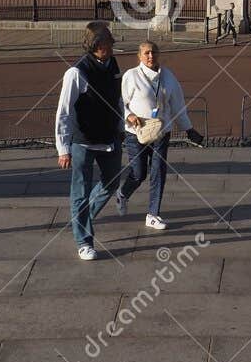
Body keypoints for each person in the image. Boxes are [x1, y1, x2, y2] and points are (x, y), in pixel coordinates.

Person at [55, 22, 126, 259]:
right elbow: (64, 112)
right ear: (95, 45)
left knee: (112, 181)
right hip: (83, 141)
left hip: (110, 137)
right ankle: (84, 241)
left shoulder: (113, 64)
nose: (111, 46)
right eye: (107, 42)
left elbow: (118, 99)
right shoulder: (76, 73)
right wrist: (63, 148)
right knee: (80, 192)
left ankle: (83, 216)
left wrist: (121, 126)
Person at [116, 40, 203, 229]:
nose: (151, 56)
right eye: (146, 53)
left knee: (158, 172)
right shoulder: (131, 75)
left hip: (162, 132)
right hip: (136, 133)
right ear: (139, 56)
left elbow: (177, 105)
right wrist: (129, 115)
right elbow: (121, 102)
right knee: (139, 173)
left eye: (154, 52)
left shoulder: (168, 77)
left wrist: (188, 129)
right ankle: (123, 194)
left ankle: (153, 214)